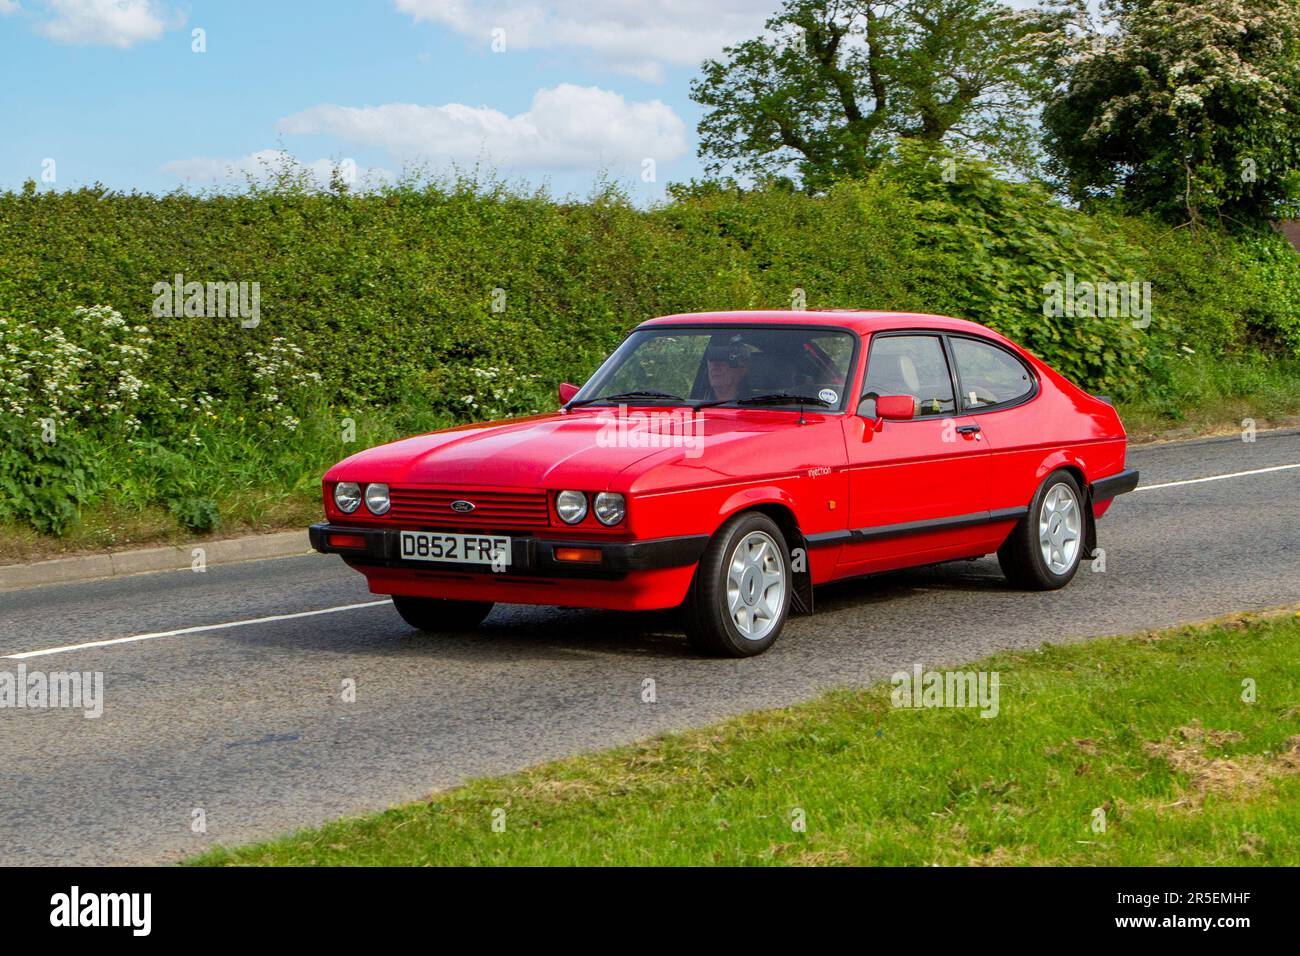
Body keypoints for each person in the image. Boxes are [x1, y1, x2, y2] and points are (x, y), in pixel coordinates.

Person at [702, 335, 753, 402]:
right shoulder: (696, 403)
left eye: (723, 359)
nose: (715, 366)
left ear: (742, 368)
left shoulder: (757, 405)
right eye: (711, 359)